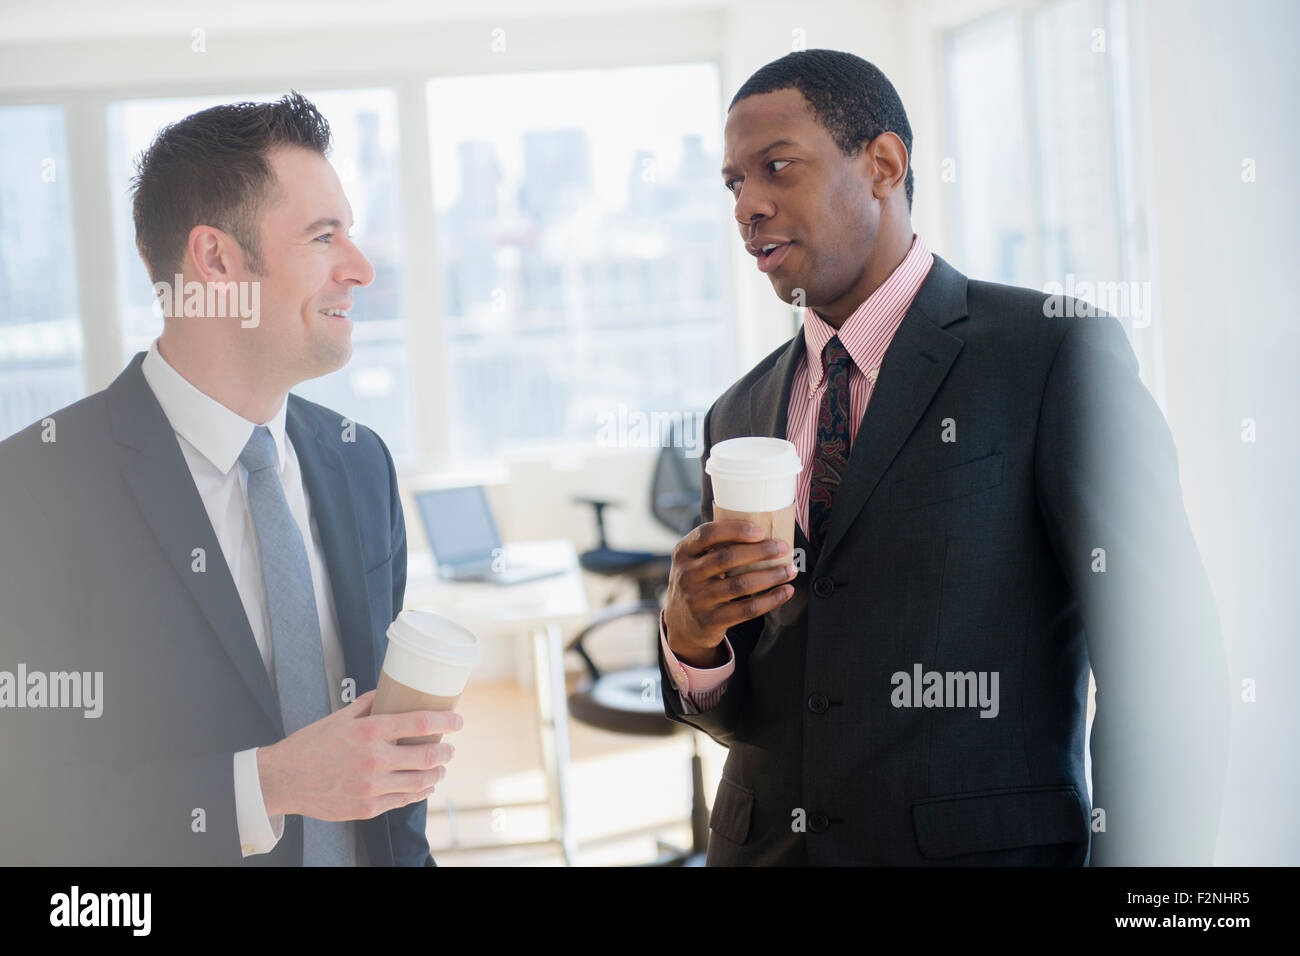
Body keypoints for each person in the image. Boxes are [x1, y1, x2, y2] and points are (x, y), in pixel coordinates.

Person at [658, 50, 1229, 865]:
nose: (747, 204)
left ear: (883, 164)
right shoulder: (738, 413)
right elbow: (747, 706)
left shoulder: (1051, 354)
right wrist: (692, 642)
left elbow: (1167, 665)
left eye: (775, 167)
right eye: (732, 184)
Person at [0, 92, 456, 865]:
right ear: (216, 261)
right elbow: (27, 810)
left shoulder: (360, 462)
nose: (363, 267)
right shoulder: (32, 492)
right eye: (324, 236)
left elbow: (385, 770)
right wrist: (267, 786)